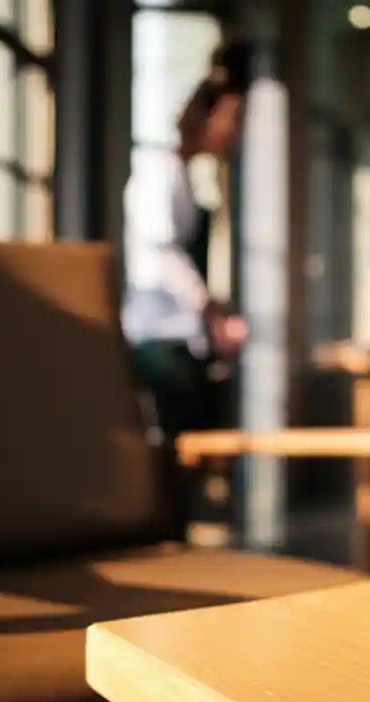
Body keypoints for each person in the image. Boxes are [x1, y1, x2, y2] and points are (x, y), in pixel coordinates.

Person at [122, 45, 251, 452]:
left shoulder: (189, 177)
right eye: (233, 120)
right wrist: (213, 314)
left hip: (179, 334)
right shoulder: (161, 173)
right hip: (160, 333)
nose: (235, 133)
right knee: (180, 448)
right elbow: (163, 256)